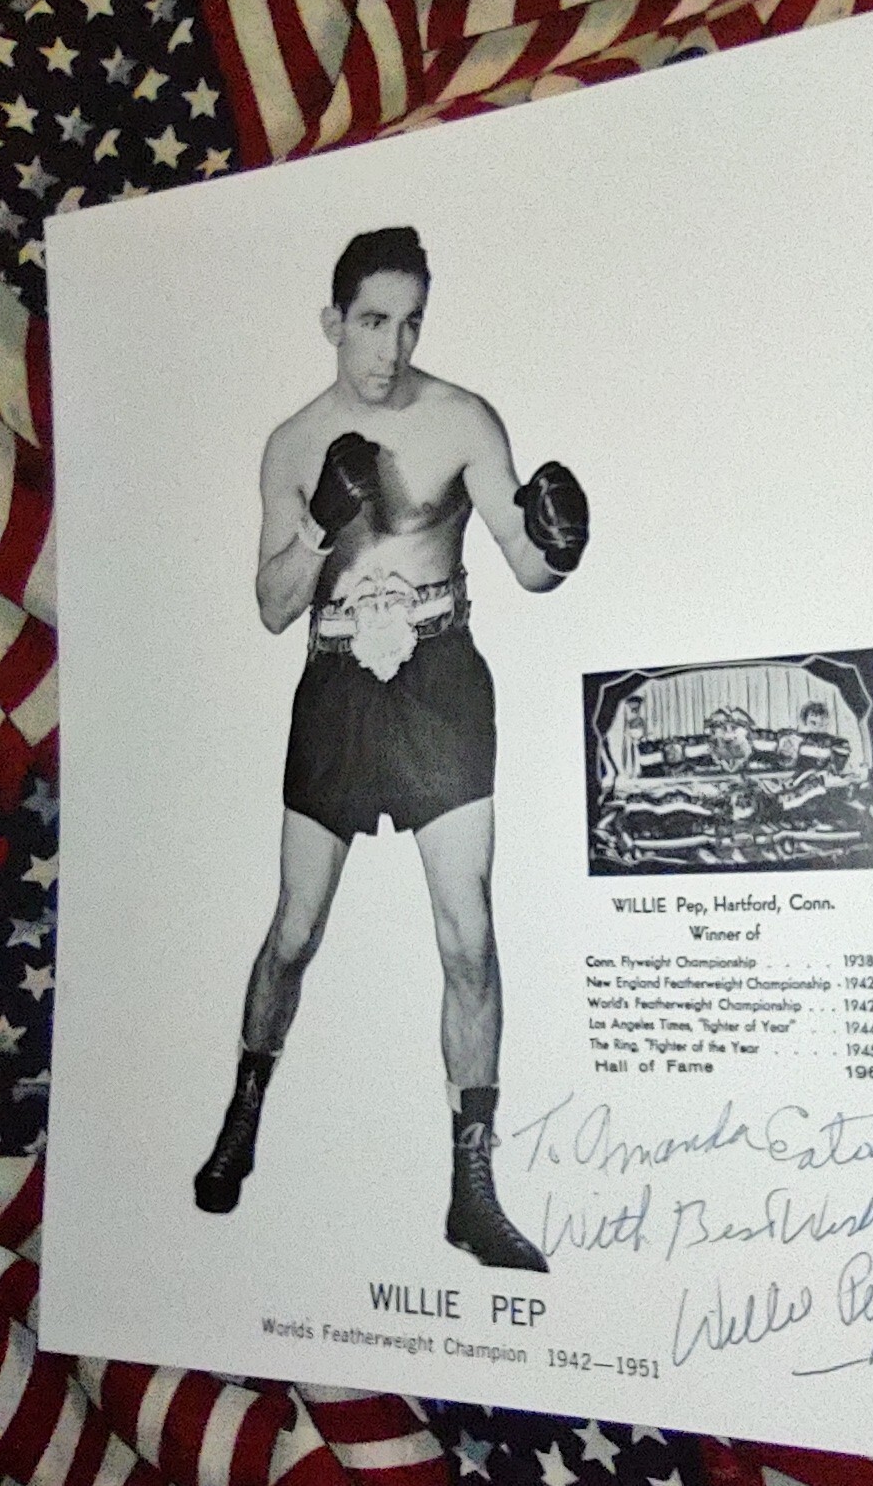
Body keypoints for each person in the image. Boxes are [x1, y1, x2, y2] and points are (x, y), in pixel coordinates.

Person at [193, 227, 588, 1272]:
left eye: (410, 323)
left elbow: (523, 562)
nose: (392, 347)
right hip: (334, 683)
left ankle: (472, 1190)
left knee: (469, 937)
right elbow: (272, 606)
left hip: (440, 681)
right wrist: (323, 525)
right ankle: (243, 1112)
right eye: (372, 322)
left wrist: (557, 547)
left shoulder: (462, 419)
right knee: (293, 931)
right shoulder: (291, 444)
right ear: (333, 322)